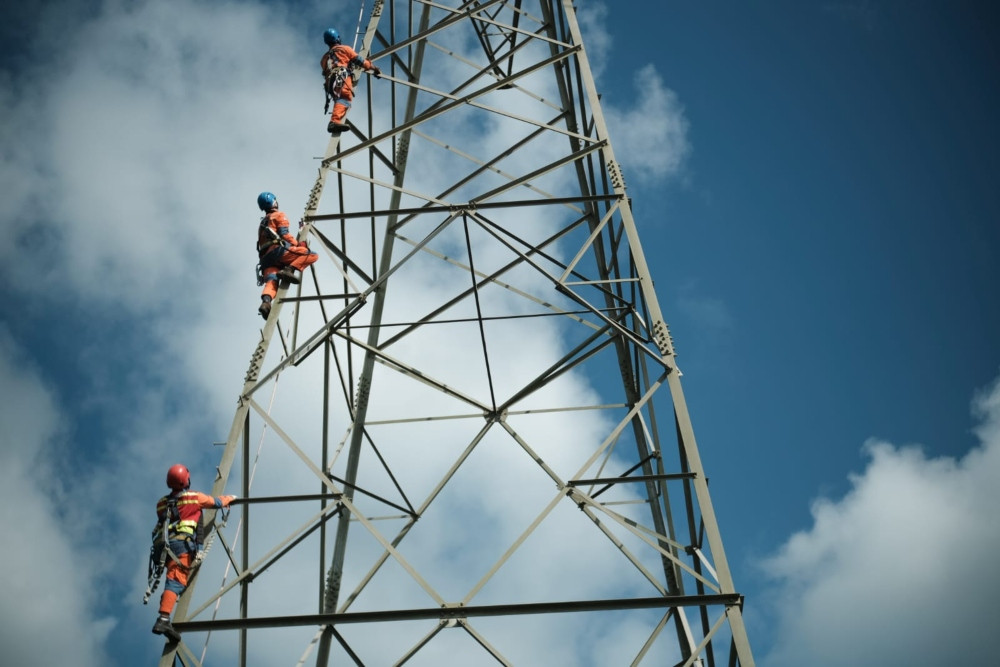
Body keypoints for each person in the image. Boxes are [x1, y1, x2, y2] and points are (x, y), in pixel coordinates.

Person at [151, 464, 236, 641]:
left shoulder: (161, 504)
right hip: (182, 546)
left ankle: (166, 611)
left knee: (171, 581)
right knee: (175, 581)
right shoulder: (194, 497)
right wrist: (230, 498)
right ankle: (163, 619)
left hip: (163, 547)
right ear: (186, 480)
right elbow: (216, 503)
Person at [256, 191, 318, 319]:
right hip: (277, 252)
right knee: (312, 255)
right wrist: (298, 245)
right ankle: (288, 270)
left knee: (272, 281)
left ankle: (266, 302)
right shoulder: (278, 215)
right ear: (274, 202)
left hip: (266, 260)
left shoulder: (262, 224)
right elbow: (285, 235)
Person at [321, 28, 381, 134]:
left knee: (339, 99)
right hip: (341, 77)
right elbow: (360, 61)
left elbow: (325, 70)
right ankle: (334, 122)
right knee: (344, 98)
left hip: (330, 83)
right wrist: (374, 68)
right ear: (337, 38)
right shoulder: (344, 49)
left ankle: (335, 120)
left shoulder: (324, 58)